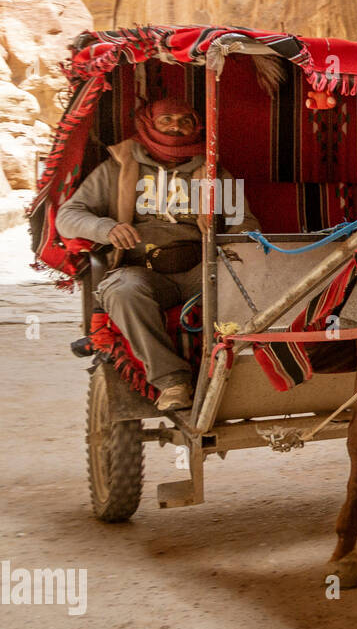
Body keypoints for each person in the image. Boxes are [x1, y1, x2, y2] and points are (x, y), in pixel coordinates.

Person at [56, 97, 258, 411]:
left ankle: (232, 374)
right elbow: (67, 217)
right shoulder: (119, 166)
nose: (175, 127)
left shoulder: (212, 171)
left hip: (201, 270)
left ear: (197, 128)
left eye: (185, 121)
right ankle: (173, 382)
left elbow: (246, 224)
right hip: (141, 270)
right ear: (148, 123)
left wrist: (219, 231)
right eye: (166, 120)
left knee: (247, 283)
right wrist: (106, 228)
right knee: (122, 292)